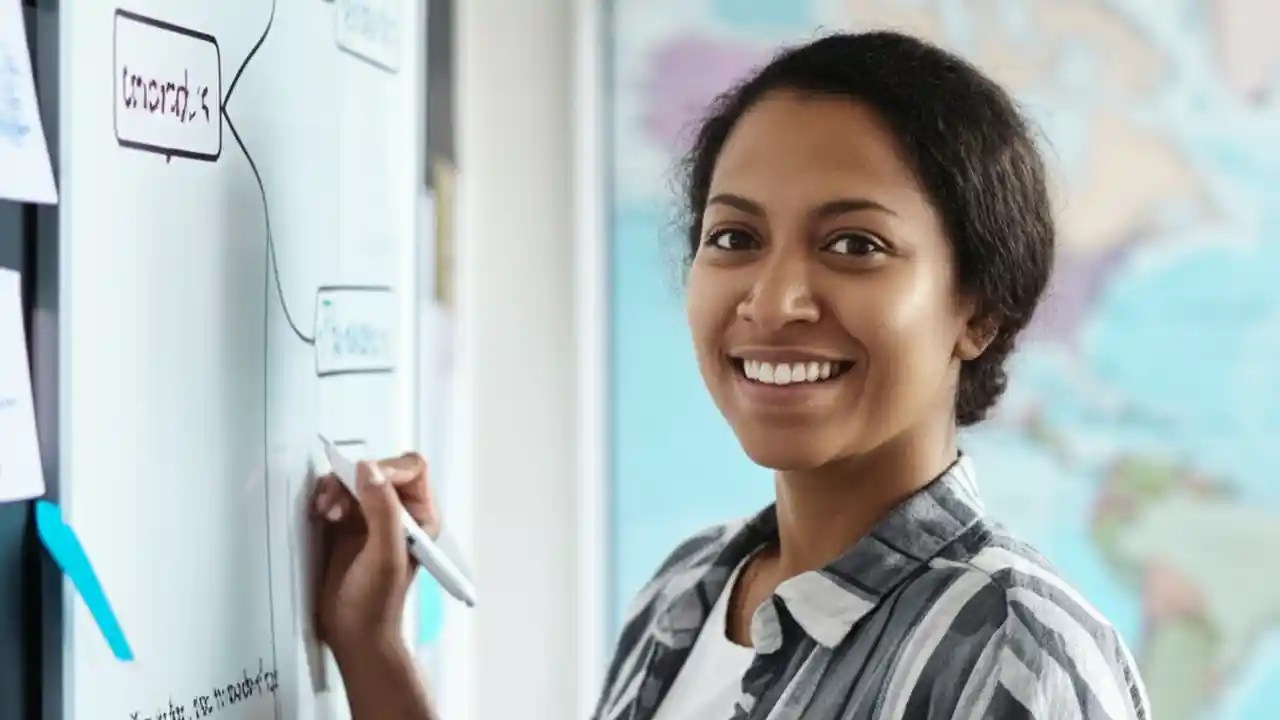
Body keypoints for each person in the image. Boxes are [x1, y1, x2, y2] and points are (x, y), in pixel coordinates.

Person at [311, 31, 1151, 720]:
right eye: (734, 239)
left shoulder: (1016, 659)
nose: (774, 299)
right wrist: (372, 643)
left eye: (854, 245)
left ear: (980, 311)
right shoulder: (687, 589)